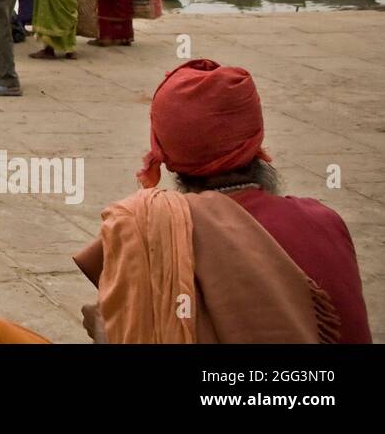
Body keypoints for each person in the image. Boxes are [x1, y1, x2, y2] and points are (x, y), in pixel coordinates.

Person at [75, 60, 370, 343]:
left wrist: (105, 332)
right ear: (255, 141)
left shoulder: (154, 234)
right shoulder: (323, 221)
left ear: (166, 156)